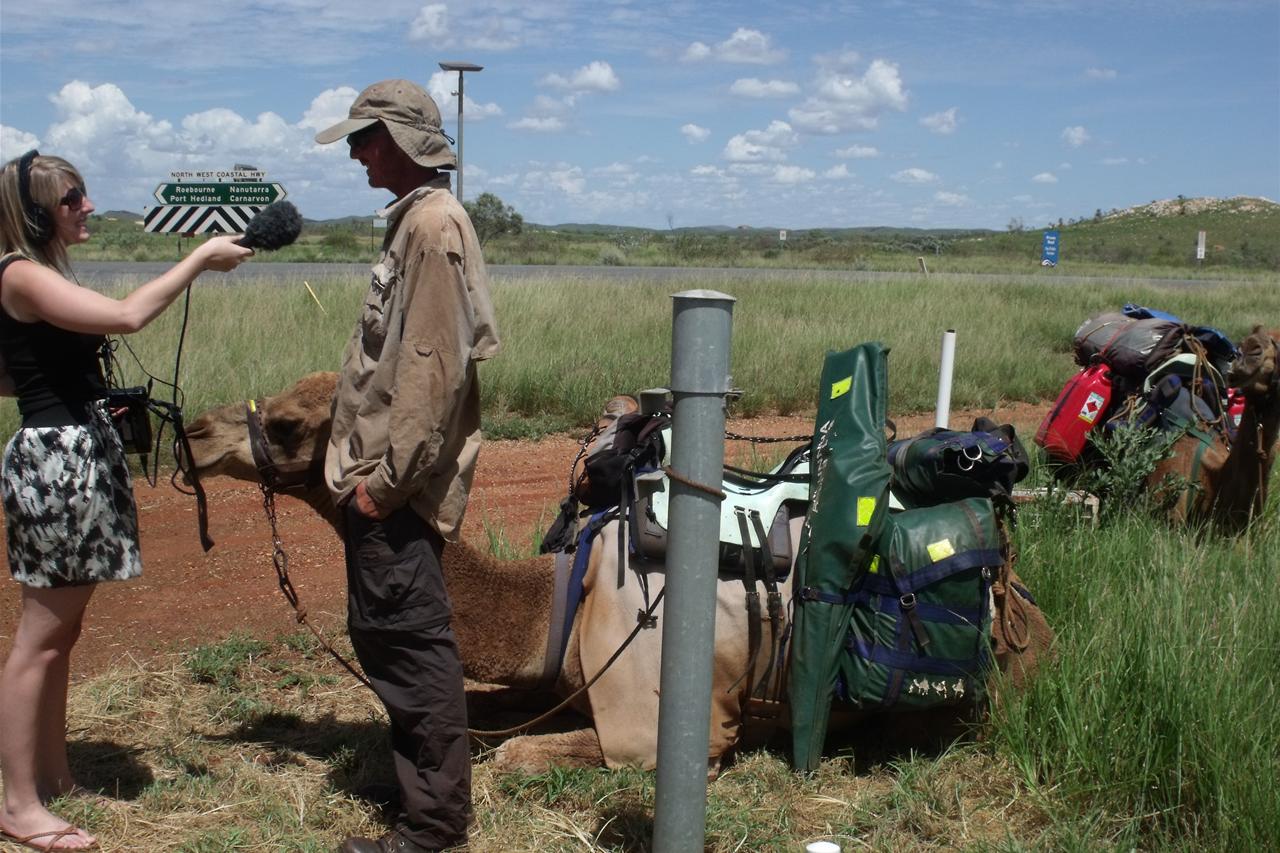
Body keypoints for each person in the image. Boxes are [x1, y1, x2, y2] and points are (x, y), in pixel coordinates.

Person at [0, 151, 252, 852]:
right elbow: (128, 315)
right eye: (73, 196)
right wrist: (199, 257)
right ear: (36, 211)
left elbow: (14, 371)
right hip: (59, 462)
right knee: (37, 640)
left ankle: (50, 778)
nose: (86, 205)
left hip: (70, 452)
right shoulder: (21, 272)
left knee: (61, 635)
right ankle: (19, 804)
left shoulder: (37, 276)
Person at [314, 80, 500, 853]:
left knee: (412, 645)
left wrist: (379, 492)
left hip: (394, 492)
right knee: (391, 638)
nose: (356, 152)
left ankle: (432, 827)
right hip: (382, 484)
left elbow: (428, 374)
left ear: (397, 137)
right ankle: (421, 795)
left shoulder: (431, 227)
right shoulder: (419, 221)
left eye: (364, 137)